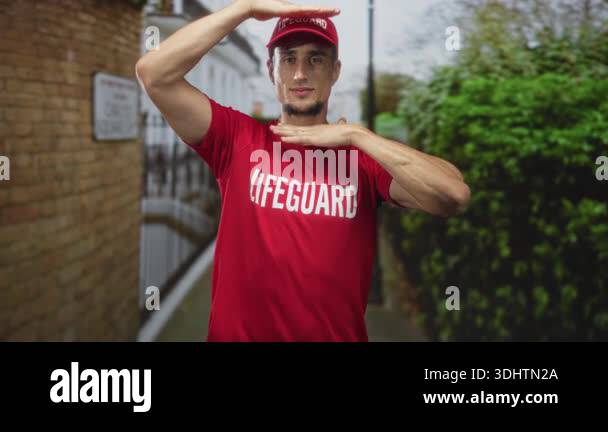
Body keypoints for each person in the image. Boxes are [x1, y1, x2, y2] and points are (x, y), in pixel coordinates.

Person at [135, 0, 471, 342]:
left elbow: (452, 196)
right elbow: (154, 75)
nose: (300, 73)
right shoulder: (238, 138)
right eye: (289, 58)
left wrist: (358, 135)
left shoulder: (362, 158)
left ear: (335, 70)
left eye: (315, 58)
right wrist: (245, 9)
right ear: (271, 69)